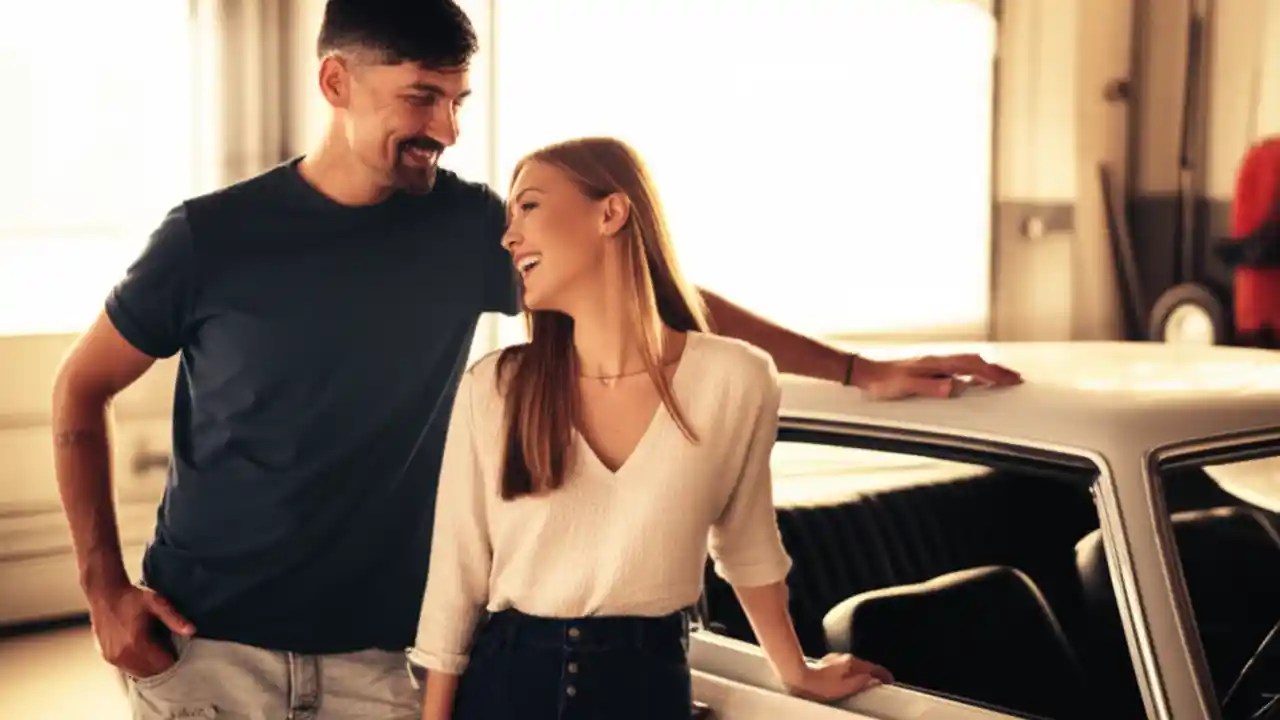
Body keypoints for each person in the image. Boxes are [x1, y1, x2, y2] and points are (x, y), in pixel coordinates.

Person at [50, 1, 1020, 718]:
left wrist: (855, 371)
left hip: (388, 656)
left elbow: (640, 289)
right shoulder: (210, 238)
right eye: (420, 95)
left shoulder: (463, 226)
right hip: (208, 645)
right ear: (336, 83)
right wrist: (102, 591)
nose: (446, 126)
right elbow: (78, 392)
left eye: (459, 98)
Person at [410, 137, 898, 720]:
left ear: (611, 213)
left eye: (529, 207)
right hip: (507, 684)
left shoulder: (735, 379)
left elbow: (747, 544)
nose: (508, 236)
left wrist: (796, 671)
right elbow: (455, 577)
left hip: (646, 686)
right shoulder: (497, 386)